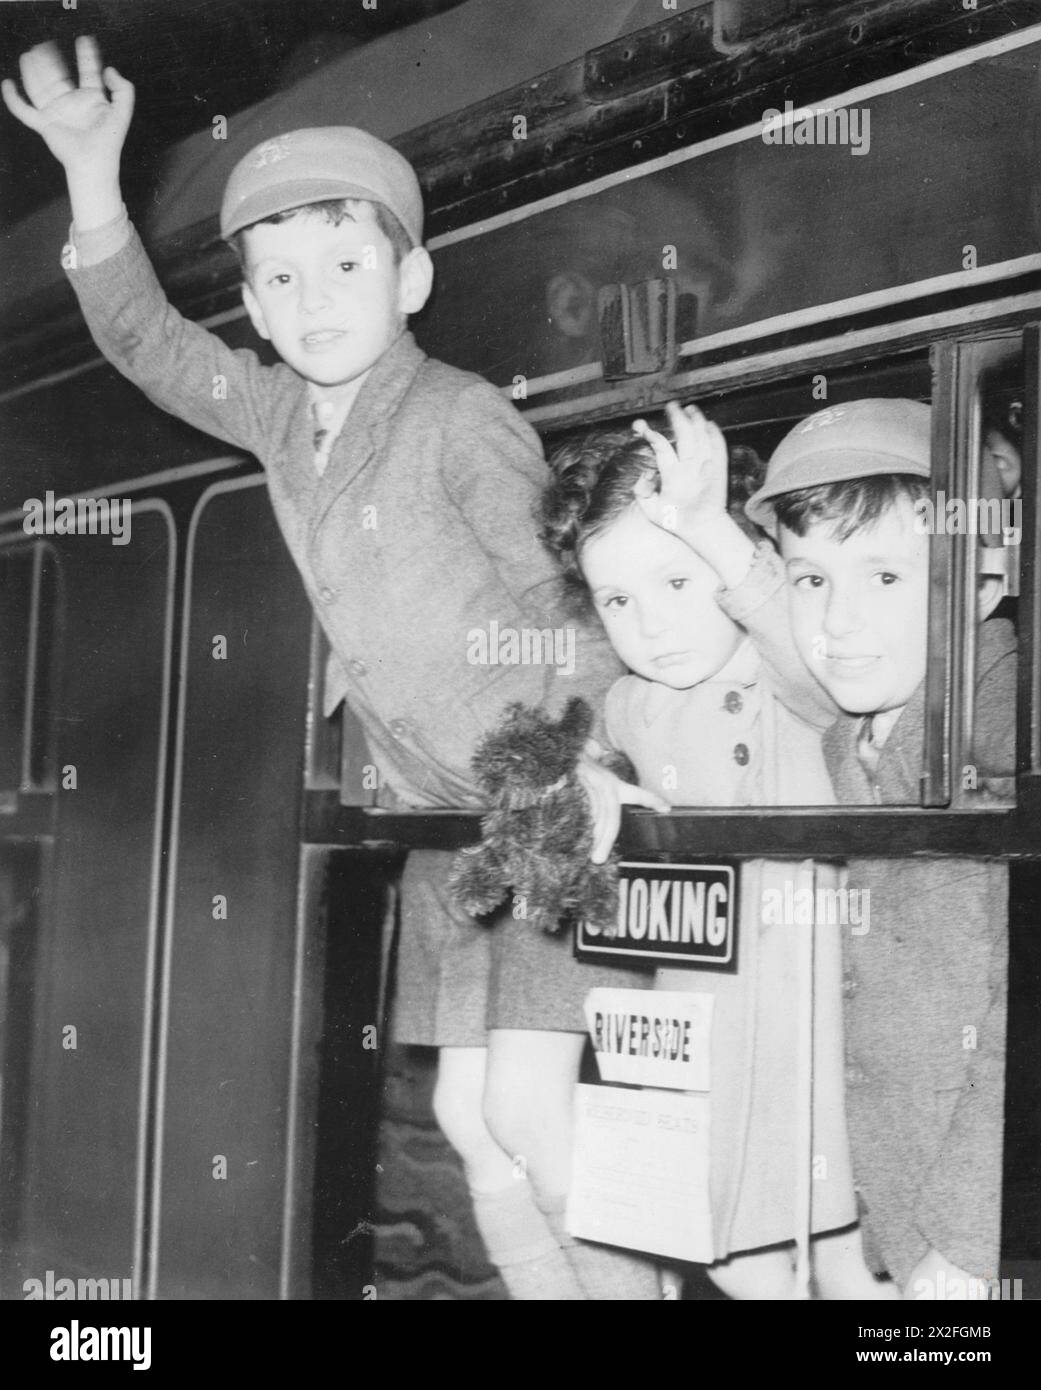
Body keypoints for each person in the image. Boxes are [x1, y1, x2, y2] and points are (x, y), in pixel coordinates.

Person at [3, 36, 669, 1300]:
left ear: (411, 278)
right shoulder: (280, 418)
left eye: (348, 266)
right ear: (251, 307)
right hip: (441, 827)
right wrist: (95, 173)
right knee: (474, 1131)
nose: (316, 302)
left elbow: (566, 605)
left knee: (534, 1118)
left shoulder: (459, 414)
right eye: (282, 279)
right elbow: (146, 340)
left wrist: (587, 759)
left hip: (536, 811)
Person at [540, 401, 887, 1298]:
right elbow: (568, 746)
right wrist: (584, 781)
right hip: (704, 1032)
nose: (648, 626)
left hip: (820, 1027)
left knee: (856, 1268)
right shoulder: (634, 703)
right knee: (740, 1265)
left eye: (677, 582)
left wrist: (707, 529)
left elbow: (799, 644)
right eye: (617, 599)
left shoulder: (793, 678)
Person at [744, 397, 1016, 1298]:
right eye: (810, 579)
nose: (839, 622)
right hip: (901, 1218)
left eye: (886, 579)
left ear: (982, 584)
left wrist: (972, 1244)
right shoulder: (857, 727)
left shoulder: (1004, 727)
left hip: (984, 1232)